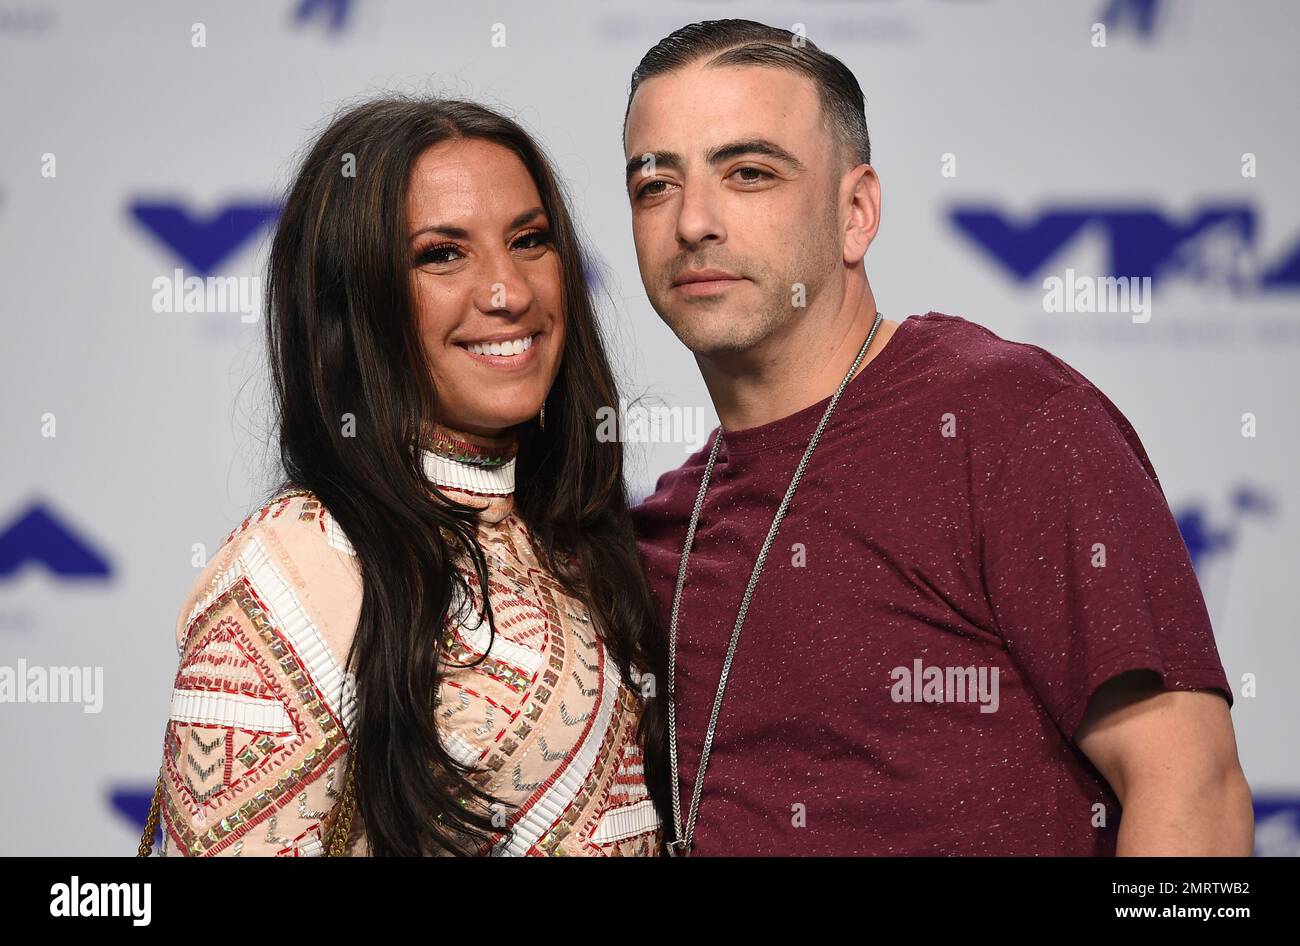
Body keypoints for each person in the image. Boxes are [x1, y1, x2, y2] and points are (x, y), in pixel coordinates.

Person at [624, 20, 1253, 855]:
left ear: (856, 212)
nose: (693, 221)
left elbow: (1191, 791)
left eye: (748, 173)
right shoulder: (662, 530)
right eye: (655, 184)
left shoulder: (1011, 421)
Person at [138, 96, 667, 856]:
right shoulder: (293, 570)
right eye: (442, 254)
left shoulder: (587, 545)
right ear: (352, 304)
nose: (508, 291)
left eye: (529, 240)